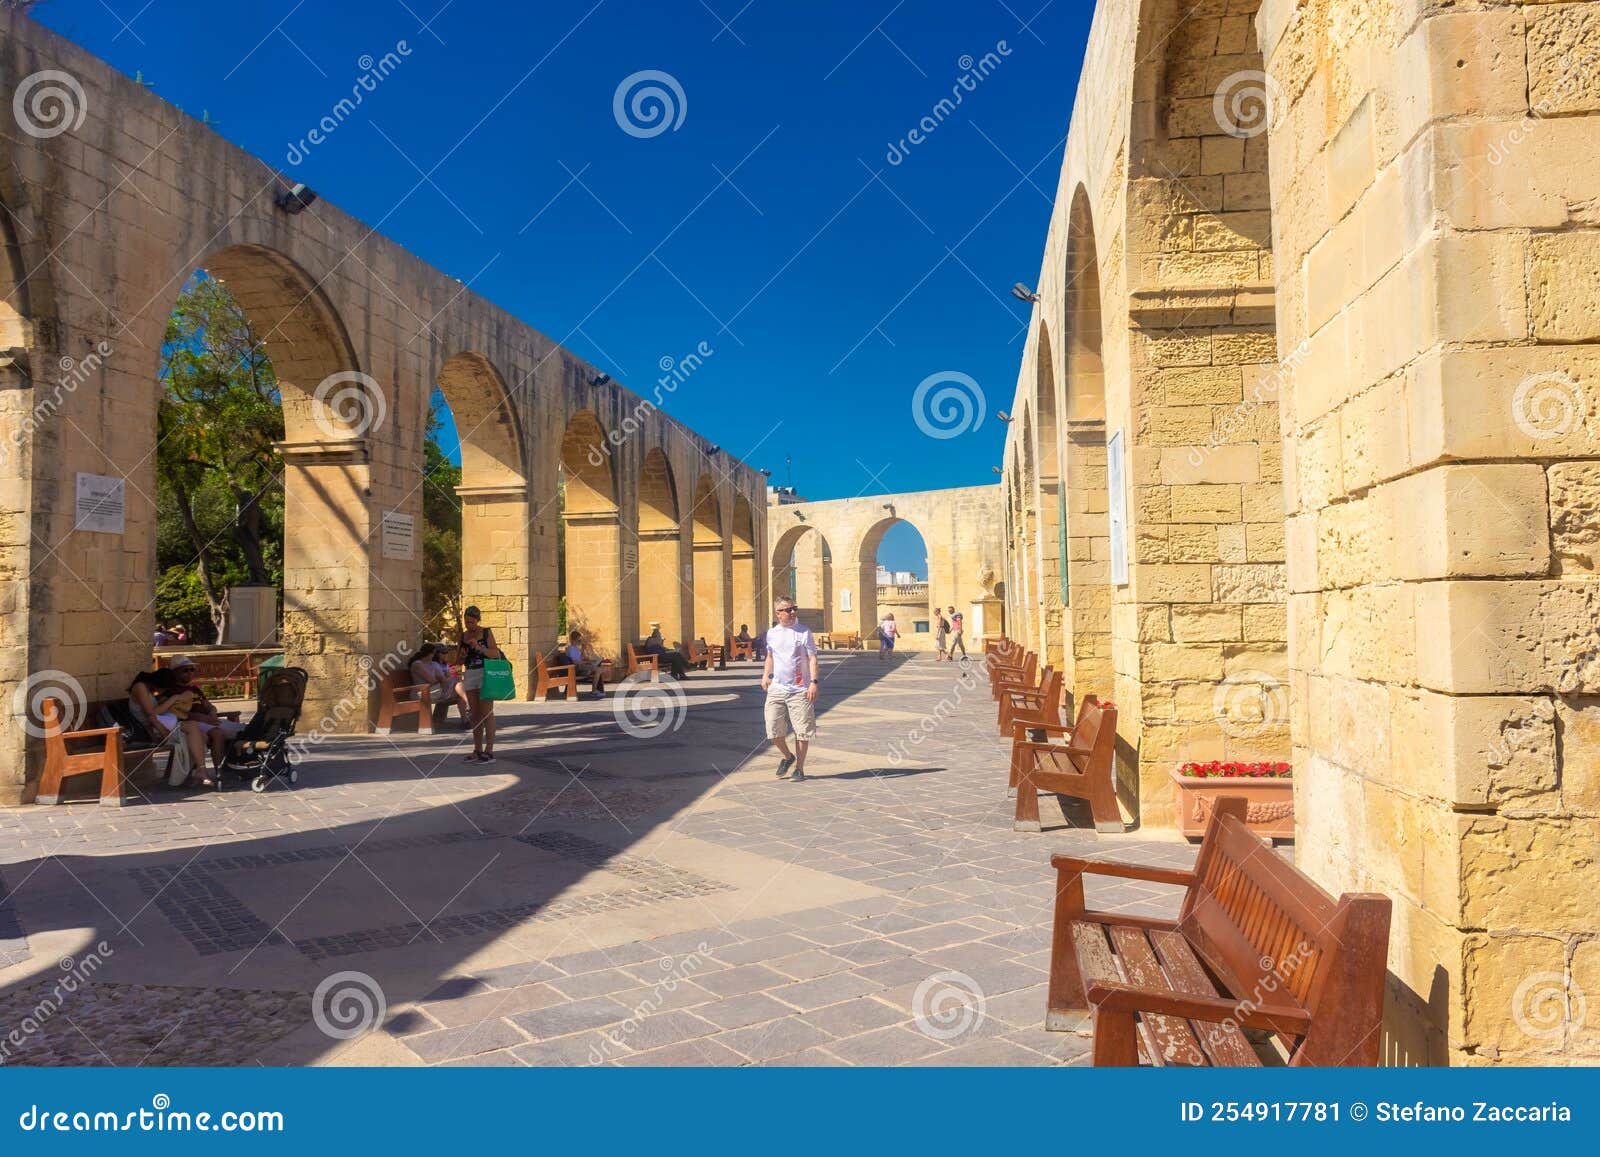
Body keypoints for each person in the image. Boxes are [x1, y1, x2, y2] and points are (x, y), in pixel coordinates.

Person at [762, 597, 819, 782]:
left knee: (802, 731)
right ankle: (788, 756)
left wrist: (814, 682)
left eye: (795, 608)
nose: (793, 612)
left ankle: (799, 768)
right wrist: (766, 675)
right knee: (773, 729)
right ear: (778, 613)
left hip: (800, 689)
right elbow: (770, 656)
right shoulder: (772, 633)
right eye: (788, 609)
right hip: (777, 687)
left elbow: (812, 658)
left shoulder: (803, 632)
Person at [127, 667, 210, 786]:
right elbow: (151, 714)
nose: (160, 692)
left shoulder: (148, 689)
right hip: (150, 729)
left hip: (157, 724)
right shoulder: (140, 687)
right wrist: (164, 732)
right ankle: (201, 771)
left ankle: (195, 773)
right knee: (192, 726)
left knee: (203, 736)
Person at [168, 655, 246, 767]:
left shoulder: (194, 689)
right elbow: (179, 714)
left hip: (209, 720)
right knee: (218, 733)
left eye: (192, 669)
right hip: (193, 723)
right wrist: (204, 718)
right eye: (185, 670)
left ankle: (235, 763)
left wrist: (212, 713)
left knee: (244, 729)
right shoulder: (172, 691)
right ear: (175, 672)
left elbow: (209, 706)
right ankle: (219, 770)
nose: (190, 673)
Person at [459, 606, 503, 763]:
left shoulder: (485, 633)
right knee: (475, 714)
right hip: (470, 673)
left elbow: (495, 653)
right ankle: (477, 749)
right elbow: (459, 660)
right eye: (466, 621)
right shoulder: (463, 635)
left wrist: (479, 648)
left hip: (485, 673)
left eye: (471, 622)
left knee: (486, 713)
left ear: (477, 620)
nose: (468, 625)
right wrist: (462, 656)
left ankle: (489, 751)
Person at [410, 642, 470, 726]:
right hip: (422, 693)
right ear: (430, 653)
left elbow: (442, 678)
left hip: (434, 690)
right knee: (457, 683)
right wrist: (444, 680)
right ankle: (469, 704)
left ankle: (465, 721)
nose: (434, 656)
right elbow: (431, 680)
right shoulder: (417, 664)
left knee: (459, 690)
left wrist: (444, 679)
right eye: (434, 653)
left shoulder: (433, 664)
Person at [565, 630, 606, 698]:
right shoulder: (571, 648)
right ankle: (594, 691)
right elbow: (575, 662)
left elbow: (580, 658)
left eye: (580, 640)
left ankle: (597, 690)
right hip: (578, 668)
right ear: (574, 640)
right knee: (599, 670)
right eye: (579, 640)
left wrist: (584, 651)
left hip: (581, 666)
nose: (580, 642)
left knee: (599, 666)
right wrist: (586, 662)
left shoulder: (575, 648)